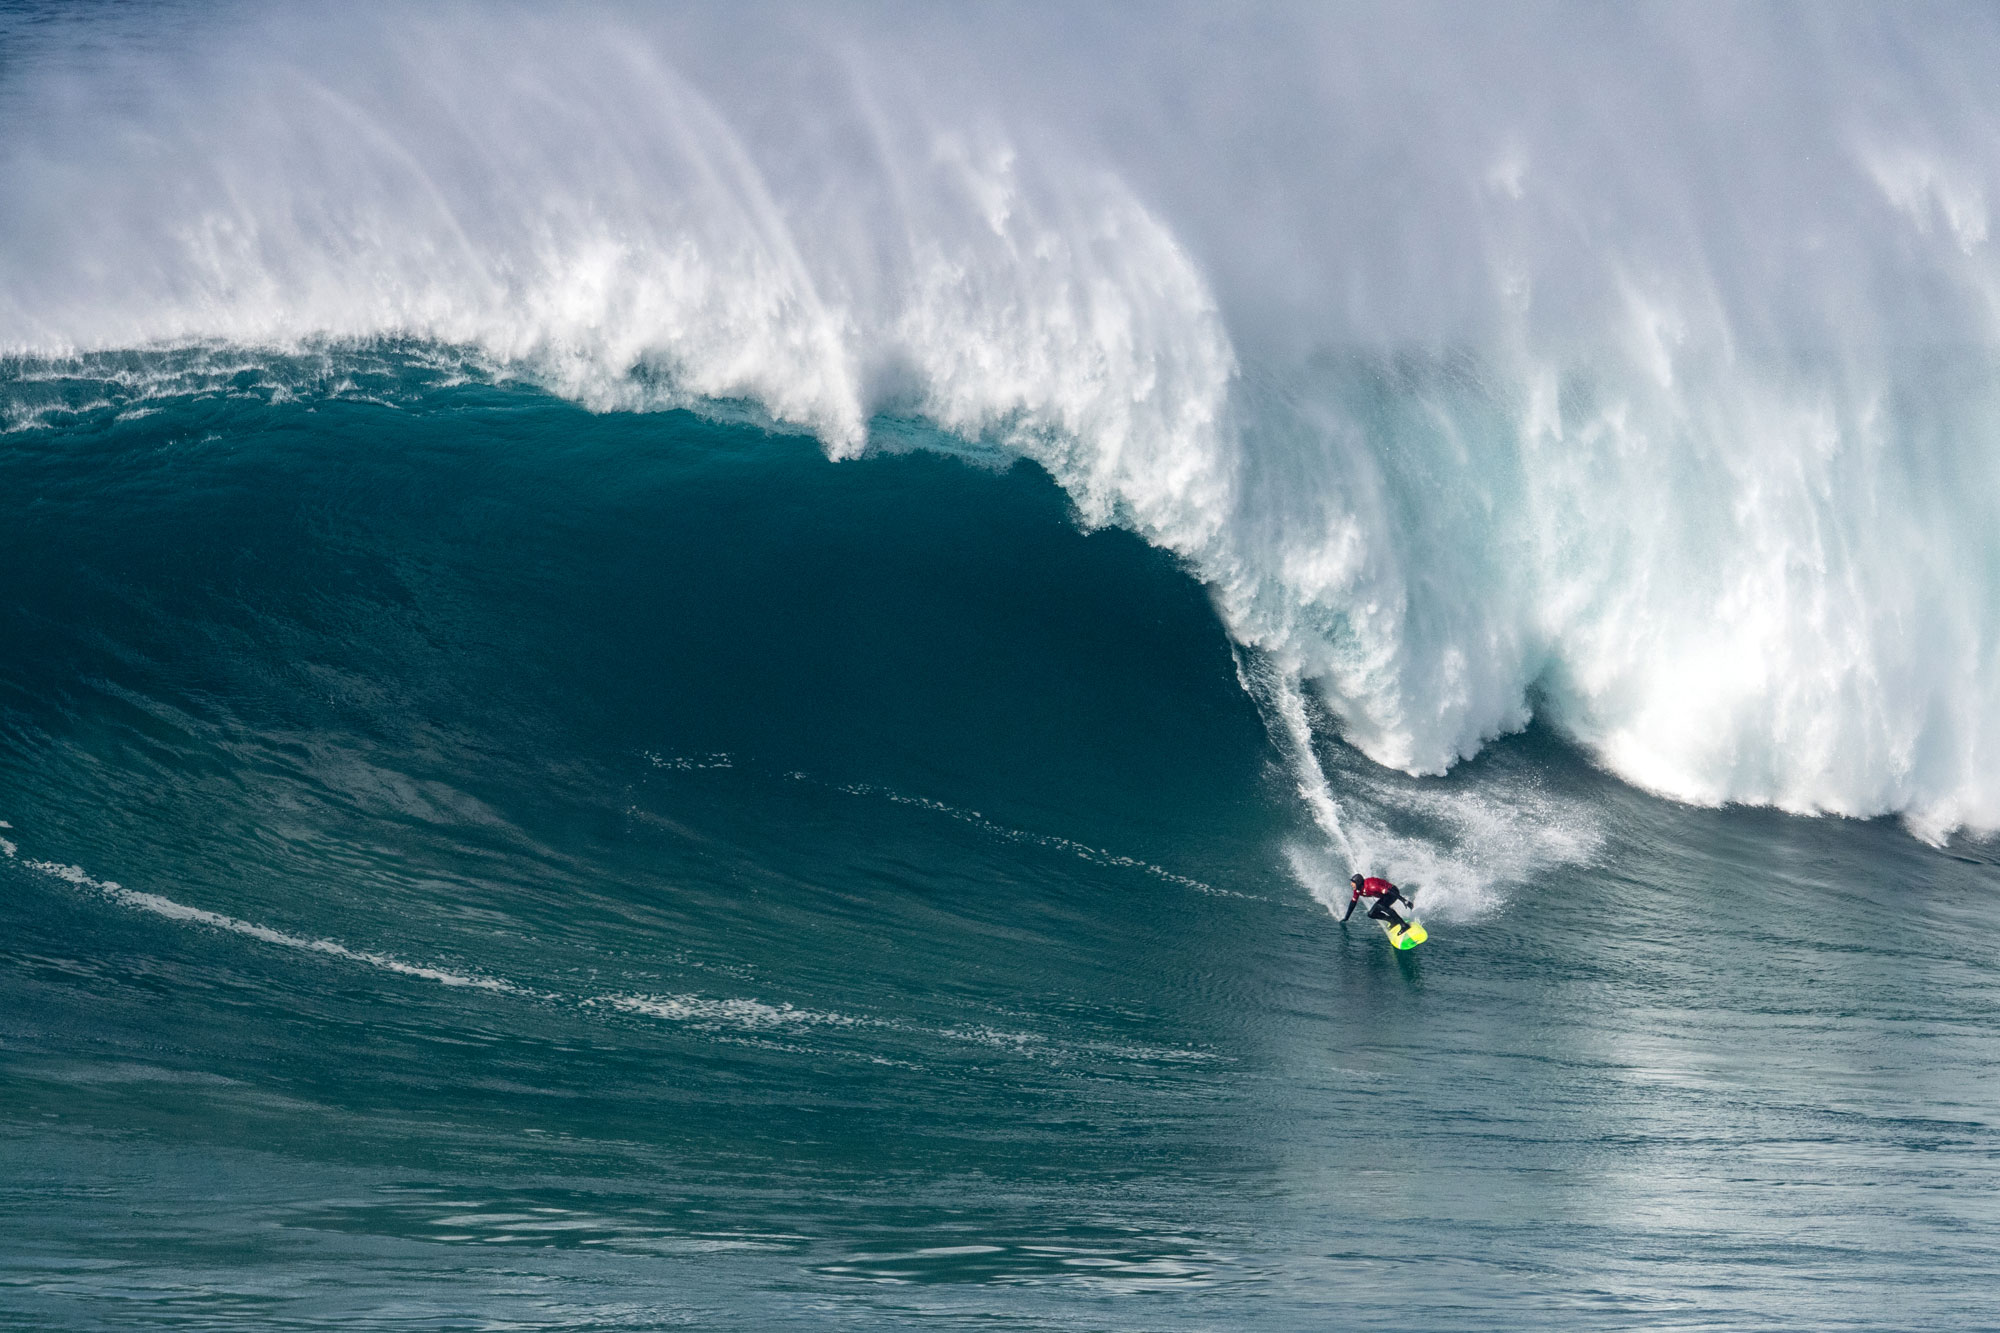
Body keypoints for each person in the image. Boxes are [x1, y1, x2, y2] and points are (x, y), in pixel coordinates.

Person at [1339, 872, 1416, 930]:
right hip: (1385, 896)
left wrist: (1404, 901)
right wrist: (1346, 917)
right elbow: (1353, 903)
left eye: (1353, 882)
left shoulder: (1372, 886)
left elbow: (1389, 891)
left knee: (1382, 906)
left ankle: (1404, 925)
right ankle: (1392, 920)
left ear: (1358, 882)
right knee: (1371, 914)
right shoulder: (1357, 890)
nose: (1351, 884)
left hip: (1392, 891)